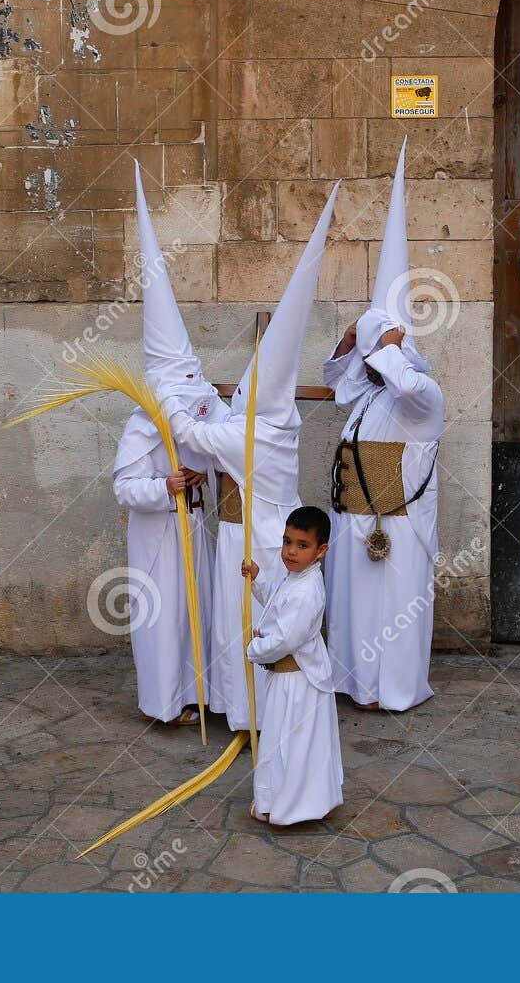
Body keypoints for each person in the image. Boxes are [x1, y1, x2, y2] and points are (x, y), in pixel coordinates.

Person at [162, 182, 339, 732]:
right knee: (257, 620)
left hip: (251, 537)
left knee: (247, 624)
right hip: (268, 531)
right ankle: (252, 709)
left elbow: (187, 427)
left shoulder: (249, 435)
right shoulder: (277, 424)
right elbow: (219, 419)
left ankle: (248, 714)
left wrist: (164, 386)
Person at [323, 140, 443, 713]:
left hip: (397, 525)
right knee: (353, 606)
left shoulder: (421, 395)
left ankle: (392, 689)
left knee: (393, 611)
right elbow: (340, 385)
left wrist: (392, 347)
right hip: (354, 518)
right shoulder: (368, 397)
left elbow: (409, 385)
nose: (370, 365)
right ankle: (355, 683)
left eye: (377, 355)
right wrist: (351, 344)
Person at [110, 162, 222, 725]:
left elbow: (218, 436)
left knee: (198, 611)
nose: (189, 391)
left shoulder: (196, 404)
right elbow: (125, 488)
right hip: (159, 533)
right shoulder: (141, 423)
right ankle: (164, 701)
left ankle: (200, 695)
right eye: (177, 382)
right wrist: (166, 485)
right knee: (162, 617)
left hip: (196, 523)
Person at [240, 506, 343, 825]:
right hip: (287, 680)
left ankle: (290, 806)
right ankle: (279, 800)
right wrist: (257, 580)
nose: (291, 551)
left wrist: (253, 649)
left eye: (302, 545)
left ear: (321, 550)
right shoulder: (296, 578)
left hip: (298, 684)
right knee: (282, 742)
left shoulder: (308, 590)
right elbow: (277, 600)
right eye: (287, 542)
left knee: (290, 744)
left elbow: (285, 638)